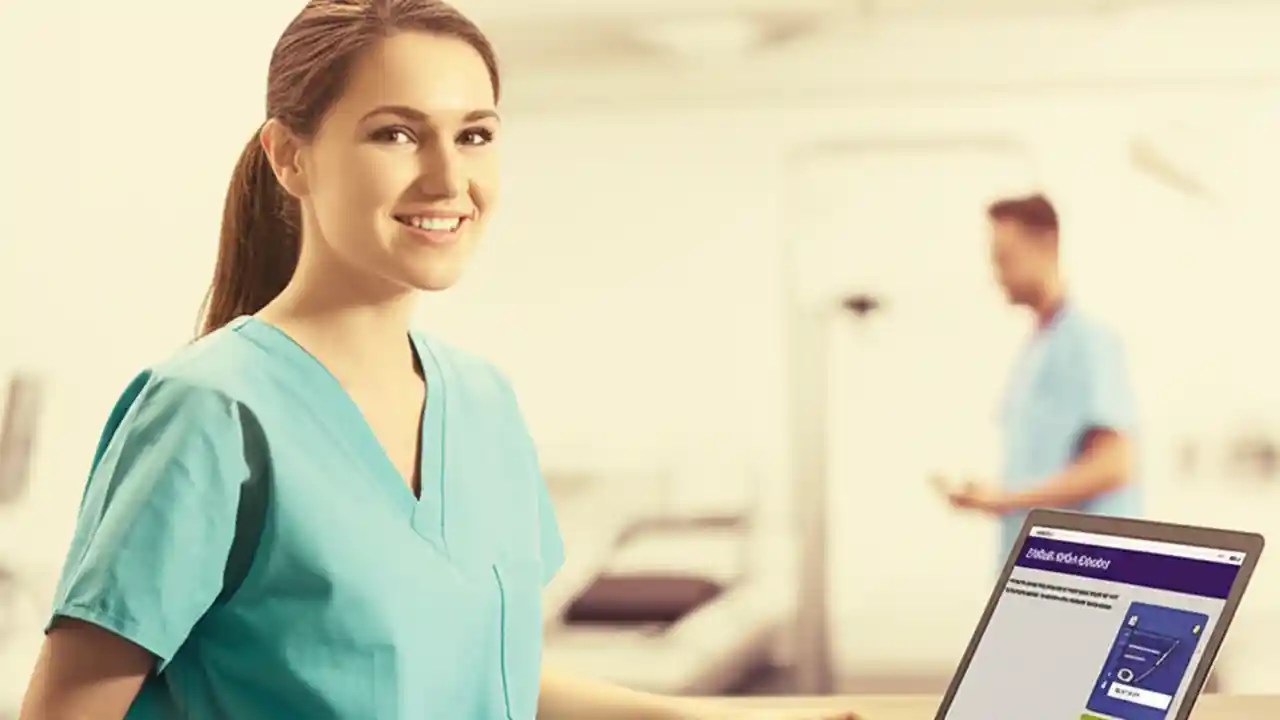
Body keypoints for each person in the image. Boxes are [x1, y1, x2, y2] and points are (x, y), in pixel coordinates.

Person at [18, 2, 861, 719]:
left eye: (476, 134)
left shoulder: (484, 402)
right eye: (396, 133)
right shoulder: (212, 409)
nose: (448, 177)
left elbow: (488, 675)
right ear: (290, 157)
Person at [942, 193, 1141, 564]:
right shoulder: (1037, 349)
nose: (996, 275)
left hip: (1085, 576)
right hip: (1039, 571)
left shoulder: (1089, 342)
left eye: (1005, 259)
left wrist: (1004, 500)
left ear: (1047, 244)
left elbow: (1114, 464)